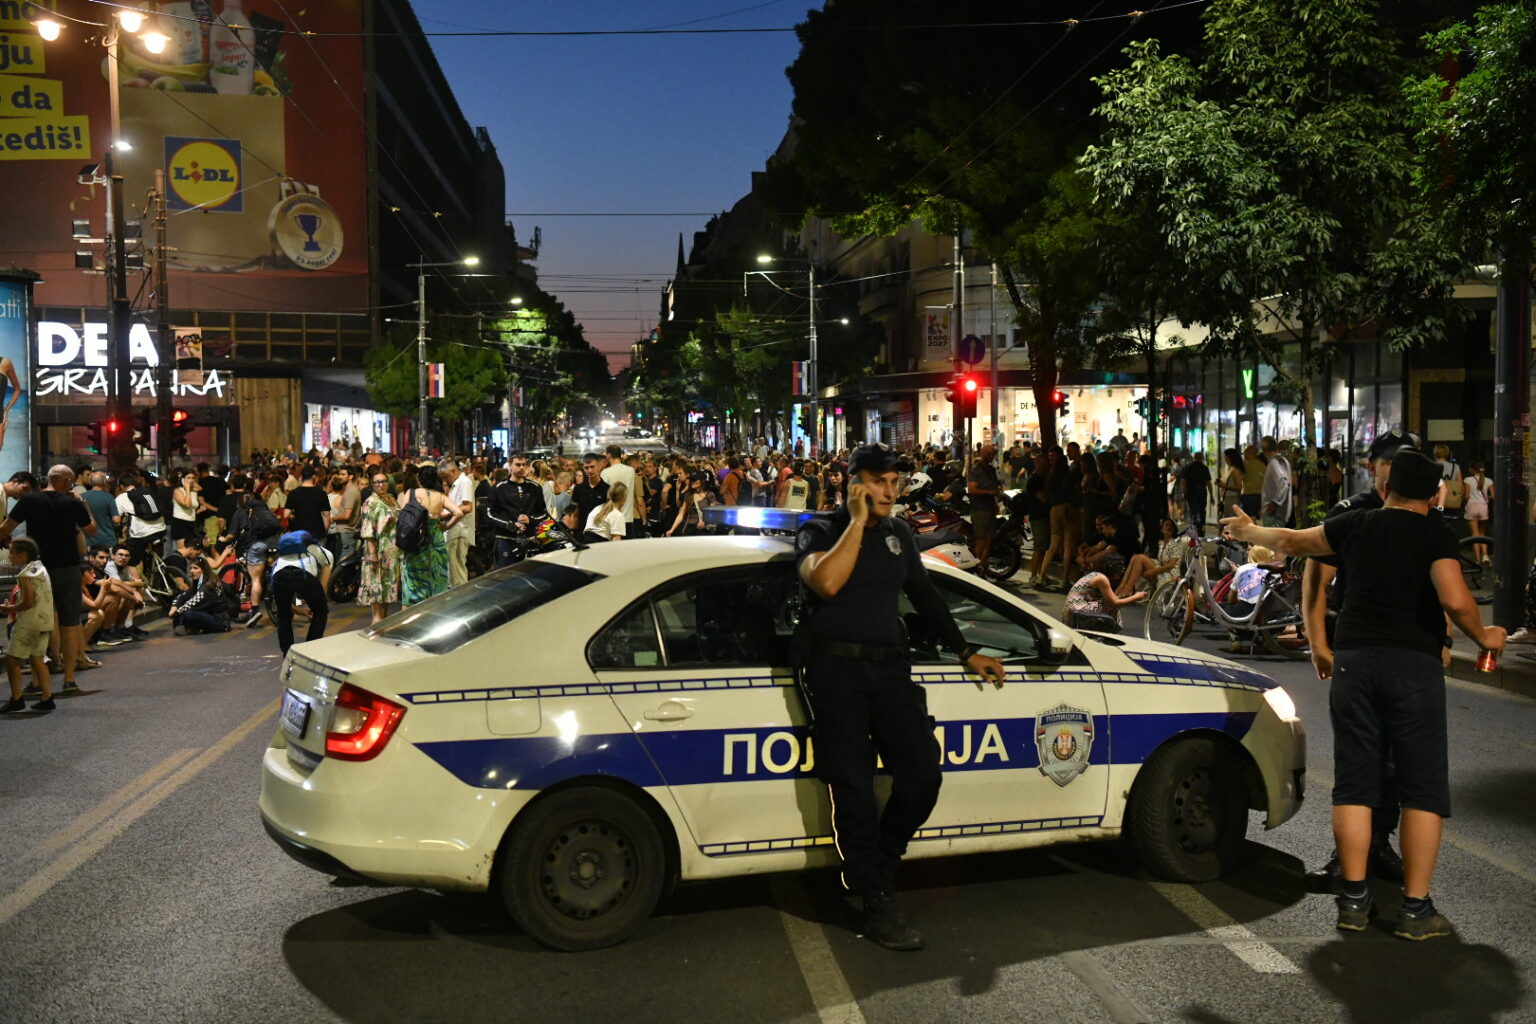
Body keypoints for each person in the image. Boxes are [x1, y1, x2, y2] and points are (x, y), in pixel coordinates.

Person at [1223, 447, 1505, 940]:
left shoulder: (1355, 523)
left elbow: (1294, 541)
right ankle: (1415, 912)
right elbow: (1455, 600)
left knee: (1355, 783)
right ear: (1434, 493)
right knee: (1421, 787)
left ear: (1388, 486)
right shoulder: (1435, 533)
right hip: (1412, 666)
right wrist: (1486, 637)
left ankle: (1353, 900)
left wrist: (1249, 532)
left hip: (1354, 662)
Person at [794, 444, 1006, 951]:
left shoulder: (901, 533)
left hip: (889, 667)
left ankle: (879, 865)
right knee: (853, 783)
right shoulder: (820, 529)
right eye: (878, 481)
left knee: (922, 773)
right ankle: (876, 895)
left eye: (895, 481)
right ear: (853, 483)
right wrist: (857, 522)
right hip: (835, 669)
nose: (890, 491)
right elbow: (826, 581)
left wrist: (964, 650)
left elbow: (925, 595)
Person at [0, 466, 90, 693]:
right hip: (68, 567)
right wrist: (83, 504)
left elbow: (7, 527)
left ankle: (39, 680)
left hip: (38, 568)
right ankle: (69, 679)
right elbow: (93, 530)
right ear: (68, 481)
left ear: (48, 479)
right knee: (69, 623)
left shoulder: (30, 501)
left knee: (36, 622)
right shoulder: (73, 503)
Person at [0, 537, 54, 714]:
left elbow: (28, 602)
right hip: (45, 620)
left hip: (29, 622)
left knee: (12, 658)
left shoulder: (25, 574)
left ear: (22, 554)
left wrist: (10, 608)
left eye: (12, 553)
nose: (10, 557)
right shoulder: (40, 568)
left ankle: (17, 698)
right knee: (38, 658)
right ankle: (47, 697)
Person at [400, 464, 460, 605]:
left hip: (417, 538)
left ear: (420, 479)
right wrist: (445, 525)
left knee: (413, 577)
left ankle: (409, 613)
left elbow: (403, 515)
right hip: (436, 537)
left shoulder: (412, 493)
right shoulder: (440, 496)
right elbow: (458, 512)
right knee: (437, 575)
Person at [270, 530, 333, 654]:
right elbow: (322, 588)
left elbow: (286, 603)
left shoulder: (284, 553)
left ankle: (287, 653)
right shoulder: (327, 555)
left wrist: (302, 610)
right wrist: (314, 606)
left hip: (279, 574)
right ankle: (310, 650)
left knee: (284, 616)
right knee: (321, 612)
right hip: (304, 576)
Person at [1062, 550, 1147, 632]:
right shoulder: (1102, 579)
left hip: (1073, 609)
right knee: (1110, 605)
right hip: (1076, 610)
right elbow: (1114, 602)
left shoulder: (1097, 575)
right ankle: (1110, 629)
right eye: (1121, 567)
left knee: (1109, 602)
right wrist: (1135, 597)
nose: (1122, 570)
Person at [358, 471, 401, 624]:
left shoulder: (390, 499)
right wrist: (372, 553)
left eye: (383, 481)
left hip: (392, 552)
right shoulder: (371, 502)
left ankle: (383, 624)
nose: (381, 485)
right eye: (377, 482)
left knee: (386, 591)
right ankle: (376, 626)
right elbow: (368, 531)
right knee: (377, 589)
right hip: (378, 550)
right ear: (372, 485)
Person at [489, 454, 546, 568]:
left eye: (524, 465)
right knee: (505, 576)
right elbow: (489, 513)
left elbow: (544, 513)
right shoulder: (498, 488)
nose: (521, 467)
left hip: (530, 539)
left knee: (530, 575)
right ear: (510, 466)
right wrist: (510, 525)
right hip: (506, 539)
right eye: (518, 464)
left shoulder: (535, 487)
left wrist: (531, 519)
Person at [169, 557, 231, 634]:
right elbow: (182, 595)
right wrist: (174, 606)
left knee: (187, 614)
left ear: (203, 570)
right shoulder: (198, 582)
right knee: (183, 615)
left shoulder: (209, 584)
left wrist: (176, 613)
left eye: (195, 568)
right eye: (191, 568)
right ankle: (193, 627)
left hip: (220, 621)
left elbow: (194, 601)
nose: (192, 571)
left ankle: (192, 627)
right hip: (209, 614)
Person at [966, 443, 1003, 567]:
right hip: (980, 509)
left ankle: (981, 565)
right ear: (982, 453)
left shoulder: (990, 469)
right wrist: (989, 492)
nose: (991, 456)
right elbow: (971, 489)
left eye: (993, 454)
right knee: (981, 539)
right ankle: (974, 566)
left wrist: (995, 501)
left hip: (989, 508)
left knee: (988, 539)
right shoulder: (976, 469)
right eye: (988, 454)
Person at [441, 458, 476, 587]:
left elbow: (467, 507)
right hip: (455, 531)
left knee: (457, 570)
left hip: (461, 530)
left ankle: (460, 599)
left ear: (453, 470)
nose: (445, 481)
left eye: (445, 476)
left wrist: (446, 515)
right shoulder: (457, 483)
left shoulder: (464, 482)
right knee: (453, 569)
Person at [601, 444, 644, 538]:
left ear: (608, 455)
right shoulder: (630, 471)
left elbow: (605, 495)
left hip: (612, 519)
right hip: (628, 518)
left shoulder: (605, 473)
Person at [284, 465, 331, 538]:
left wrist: (294, 516)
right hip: (317, 532)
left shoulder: (294, 493)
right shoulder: (322, 493)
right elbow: (326, 515)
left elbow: (286, 514)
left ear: (301, 476)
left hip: (299, 532)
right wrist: (324, 530)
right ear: (314, 476)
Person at [1178, 452, 1213, 536]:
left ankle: (1194, 531)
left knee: (1193, 513)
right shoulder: (1204, 468)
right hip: (1202, 492)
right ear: (1202, 458)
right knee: (1202, 512)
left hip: (1191, 493)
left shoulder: (1187, 467)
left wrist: (1184, 492)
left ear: (1194, 457)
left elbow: (1183, 481)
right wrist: (1211, 496)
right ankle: (1202, 531)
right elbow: (1208, 483)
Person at [1259, 436, 1291, 527]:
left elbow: (1284, 484)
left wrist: (1275, 503)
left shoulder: (1274, 463)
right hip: (1277, 513)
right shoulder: (1282, 461)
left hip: (1274, 515)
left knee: (1271, 540)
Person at [1464, 460, 1490, 563]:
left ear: (1473, 469)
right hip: (1483, 507)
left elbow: (1466, 496)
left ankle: (1477, 560)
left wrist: (1463, 503)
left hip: (1471, 507)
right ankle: (1485, 556)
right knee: (1482, 534)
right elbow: (1494, 495)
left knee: (1474, 535)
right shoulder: (1489, 480)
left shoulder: (1467, 480)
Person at [1240, 444, 1266, 519]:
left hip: (1248, 494)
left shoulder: (1245, 465)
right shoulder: (1262, 465)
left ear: (1249, 453)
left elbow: (1241, 477)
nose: (1244, 454)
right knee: (1256, 517)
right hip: (1259, 495)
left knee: (1248, 518)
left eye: (1245, 452)